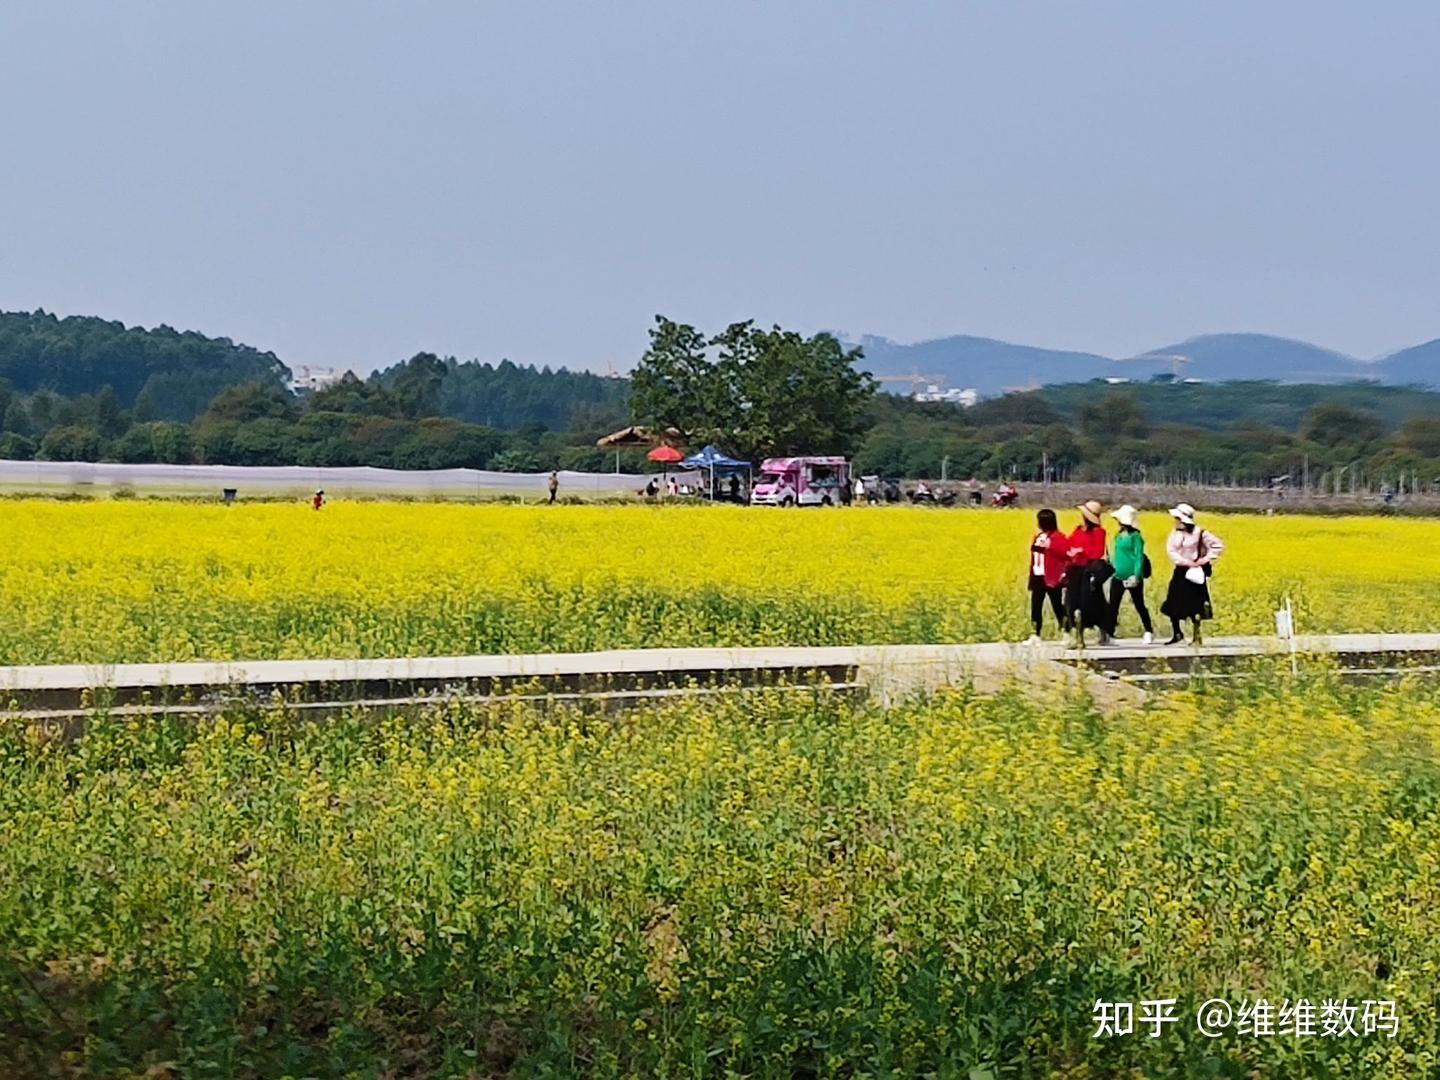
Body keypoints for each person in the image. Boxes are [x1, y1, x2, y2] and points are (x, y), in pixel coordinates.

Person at [1160, 503, 1224, 645]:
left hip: (1195, 572)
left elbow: (1218, 545)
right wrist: (1184, 561)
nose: (1175, 520)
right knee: (1173, 601)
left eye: (1177, 518)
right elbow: (1171, 551)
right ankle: (1177, 633)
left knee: (1196, 605)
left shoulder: (1200, 532)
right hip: (1181, 570)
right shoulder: (1175, 533)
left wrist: (1204, 560)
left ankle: (1197, 635)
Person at [1063, 499, 1111, 646]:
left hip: (1089, 572)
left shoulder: (1099, 532)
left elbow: (1097, 553)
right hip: (1075, 570)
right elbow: (1069, 544)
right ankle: (1077, 636)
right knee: (1072, 603)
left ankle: (1102, 632)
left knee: (1090, 604)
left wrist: (1082, 551)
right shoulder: (1078, 530)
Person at [1107, 505, 1154, 644]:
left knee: (1139, 604)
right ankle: (1110, 632)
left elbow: (1139, 556)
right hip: (1117, 575)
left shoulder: (1136, 537)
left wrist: (1137, 575)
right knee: (1113, 605)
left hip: (1132, 576)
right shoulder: (1118, 536)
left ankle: (1148, 630)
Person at [1027, 508, 1068, 641]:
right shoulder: (1038, 537)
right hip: (1037, 574)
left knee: (1057, 605)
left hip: (1052, 576)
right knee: (1036, 606)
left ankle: (1066, 632)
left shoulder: (1058, 537)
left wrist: (1051, 547)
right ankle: (1035, 634)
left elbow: (1064, 555)